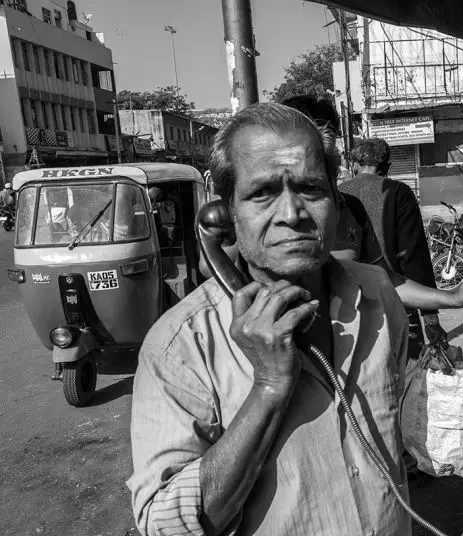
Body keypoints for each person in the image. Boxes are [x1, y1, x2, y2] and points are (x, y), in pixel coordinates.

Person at [128, 103, 412, 535]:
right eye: (262, 193)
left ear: (336, 199)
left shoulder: (377, 293)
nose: (292, 213)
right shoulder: (182, 343)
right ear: (224, 212)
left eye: (311, 189)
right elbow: (164, 524)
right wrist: (266, 390)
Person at [281, 95, 463, 312]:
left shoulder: (350, 208)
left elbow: (386, 280)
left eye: (328, 173)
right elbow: (413, 258)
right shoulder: (273, 224)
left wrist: (454, 298)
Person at [339, 138, 447, 357]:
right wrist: (430, 318)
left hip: (347, 305)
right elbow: (414, 256)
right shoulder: (399, 192)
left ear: (355, 165)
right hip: (397, 302)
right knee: (405, 371)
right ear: (387, 167)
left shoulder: (339, 194)